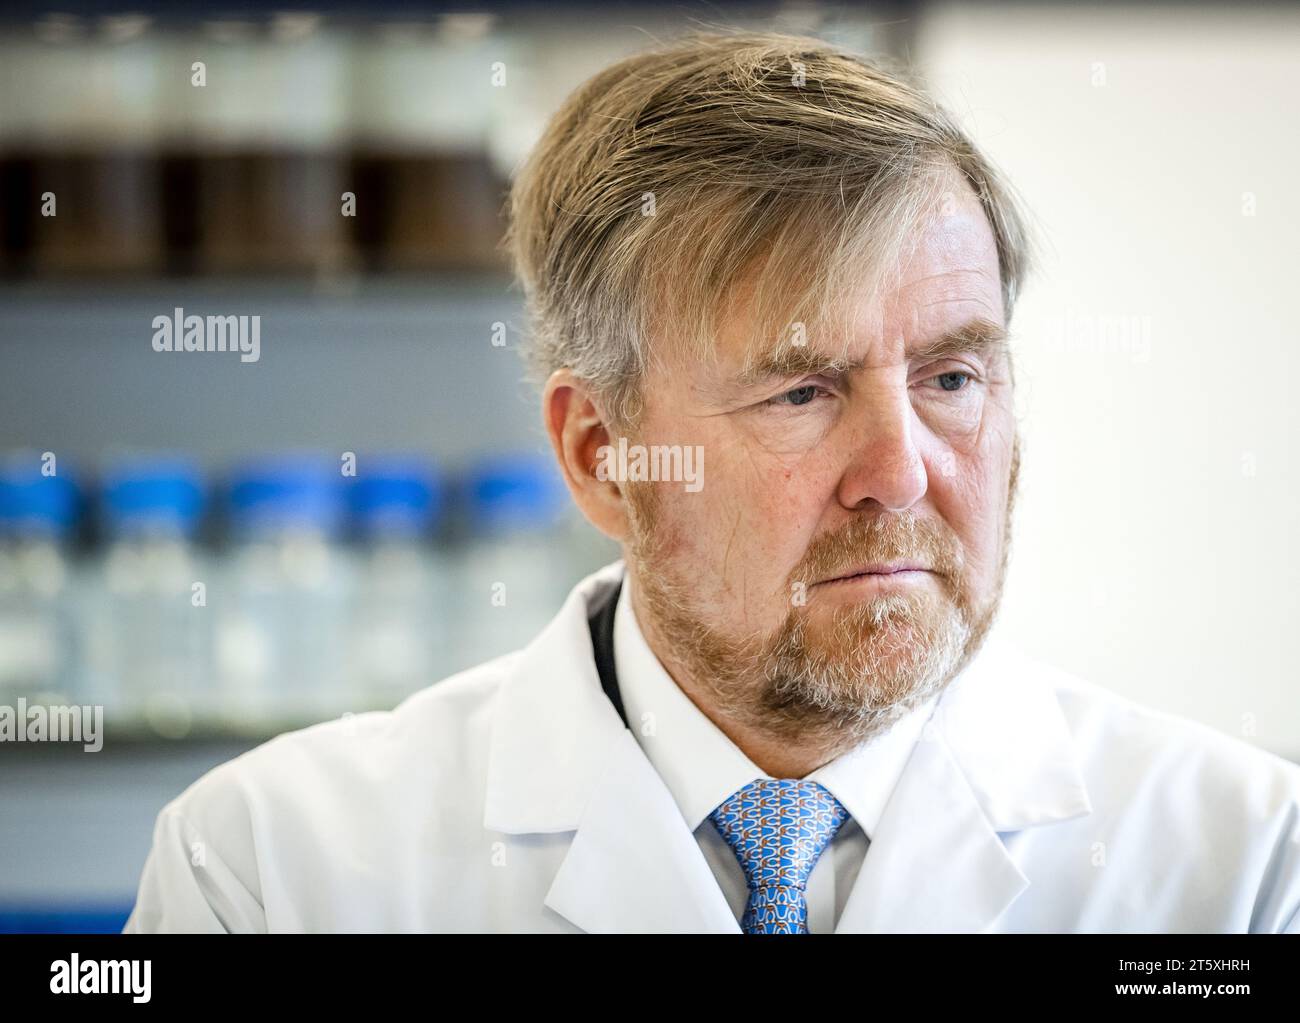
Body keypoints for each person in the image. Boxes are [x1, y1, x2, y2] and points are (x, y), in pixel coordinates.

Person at [124, 29, 1300, 934]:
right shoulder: (274, 876)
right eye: (800, 393)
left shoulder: (1237, 866)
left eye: (950, 377)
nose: (899, 473)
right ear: (602, 456)